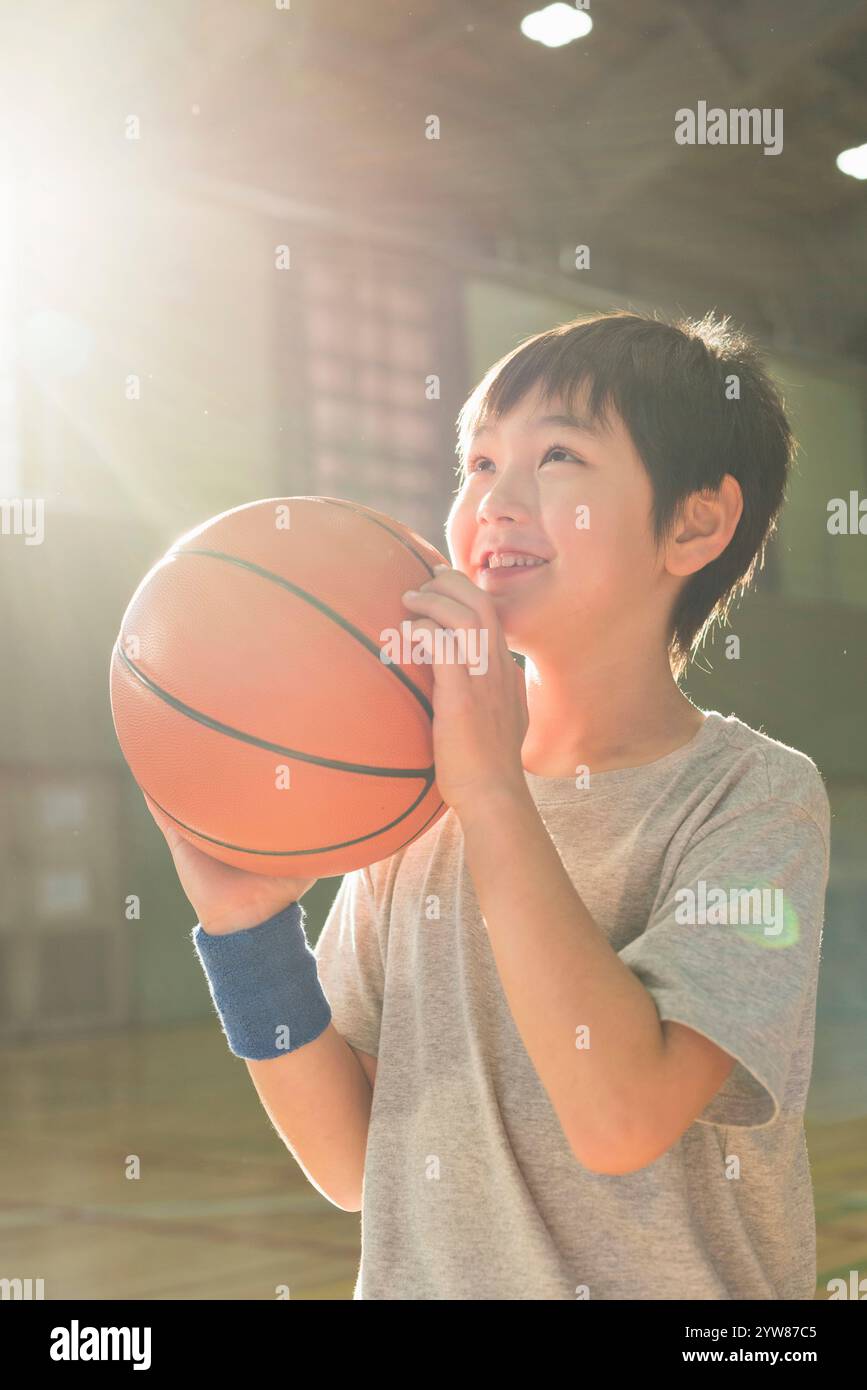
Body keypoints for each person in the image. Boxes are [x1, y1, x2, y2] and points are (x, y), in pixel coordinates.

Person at [152, 310, 830, 1300]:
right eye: (475, 463)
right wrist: (251, 934)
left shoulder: (755, 799)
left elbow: (618, 1117)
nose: (495, 500)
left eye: (557, 455)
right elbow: (352, 1161)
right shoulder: (407, 798)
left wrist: (488, 790)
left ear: (696, 521)